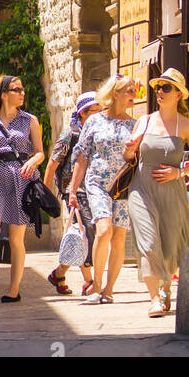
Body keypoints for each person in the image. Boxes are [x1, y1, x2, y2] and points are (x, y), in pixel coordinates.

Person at [125, 68, 189, 317]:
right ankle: (155, 298)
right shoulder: (144, 121)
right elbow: (128, 157)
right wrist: (131, 149)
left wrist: (179, 173)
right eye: (158, 87)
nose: (159, 91)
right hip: (142, 189)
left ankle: (166, 286)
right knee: (148, 242)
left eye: (166, 88)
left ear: (178, 95)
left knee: (169, 246)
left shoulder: (187, 126)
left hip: (172, 191)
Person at [0, 74, 45, 304]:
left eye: (23, 89)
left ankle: (14, 288)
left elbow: (40, 152)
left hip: (21, 179)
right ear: (4, 94)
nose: (22, 93)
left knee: (16, 238)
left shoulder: (30, 120)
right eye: (17, 89)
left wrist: (32, 162)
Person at [68, 74, 136, 304]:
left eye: (134, 90)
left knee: (119, 237)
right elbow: (82, 156)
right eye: (128, 90)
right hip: (97, 182)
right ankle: (96, 284)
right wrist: (73, 189)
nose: (133, 95)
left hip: (123, 186)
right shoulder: (95, 121)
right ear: (114, 93)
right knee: (104, 230)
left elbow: (136, 159)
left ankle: (109, 289)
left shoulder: (134, 125)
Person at [44, 92, 101, 296]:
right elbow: (52, 164)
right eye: (96, 111)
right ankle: (89, 282)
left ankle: (59, 274)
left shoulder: (96, 132)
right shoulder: (70, 134)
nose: (100, 114)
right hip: (73, 191)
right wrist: (46, 195)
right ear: (83, 113)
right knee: (85, 232)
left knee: (82, 234)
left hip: (94, 189)